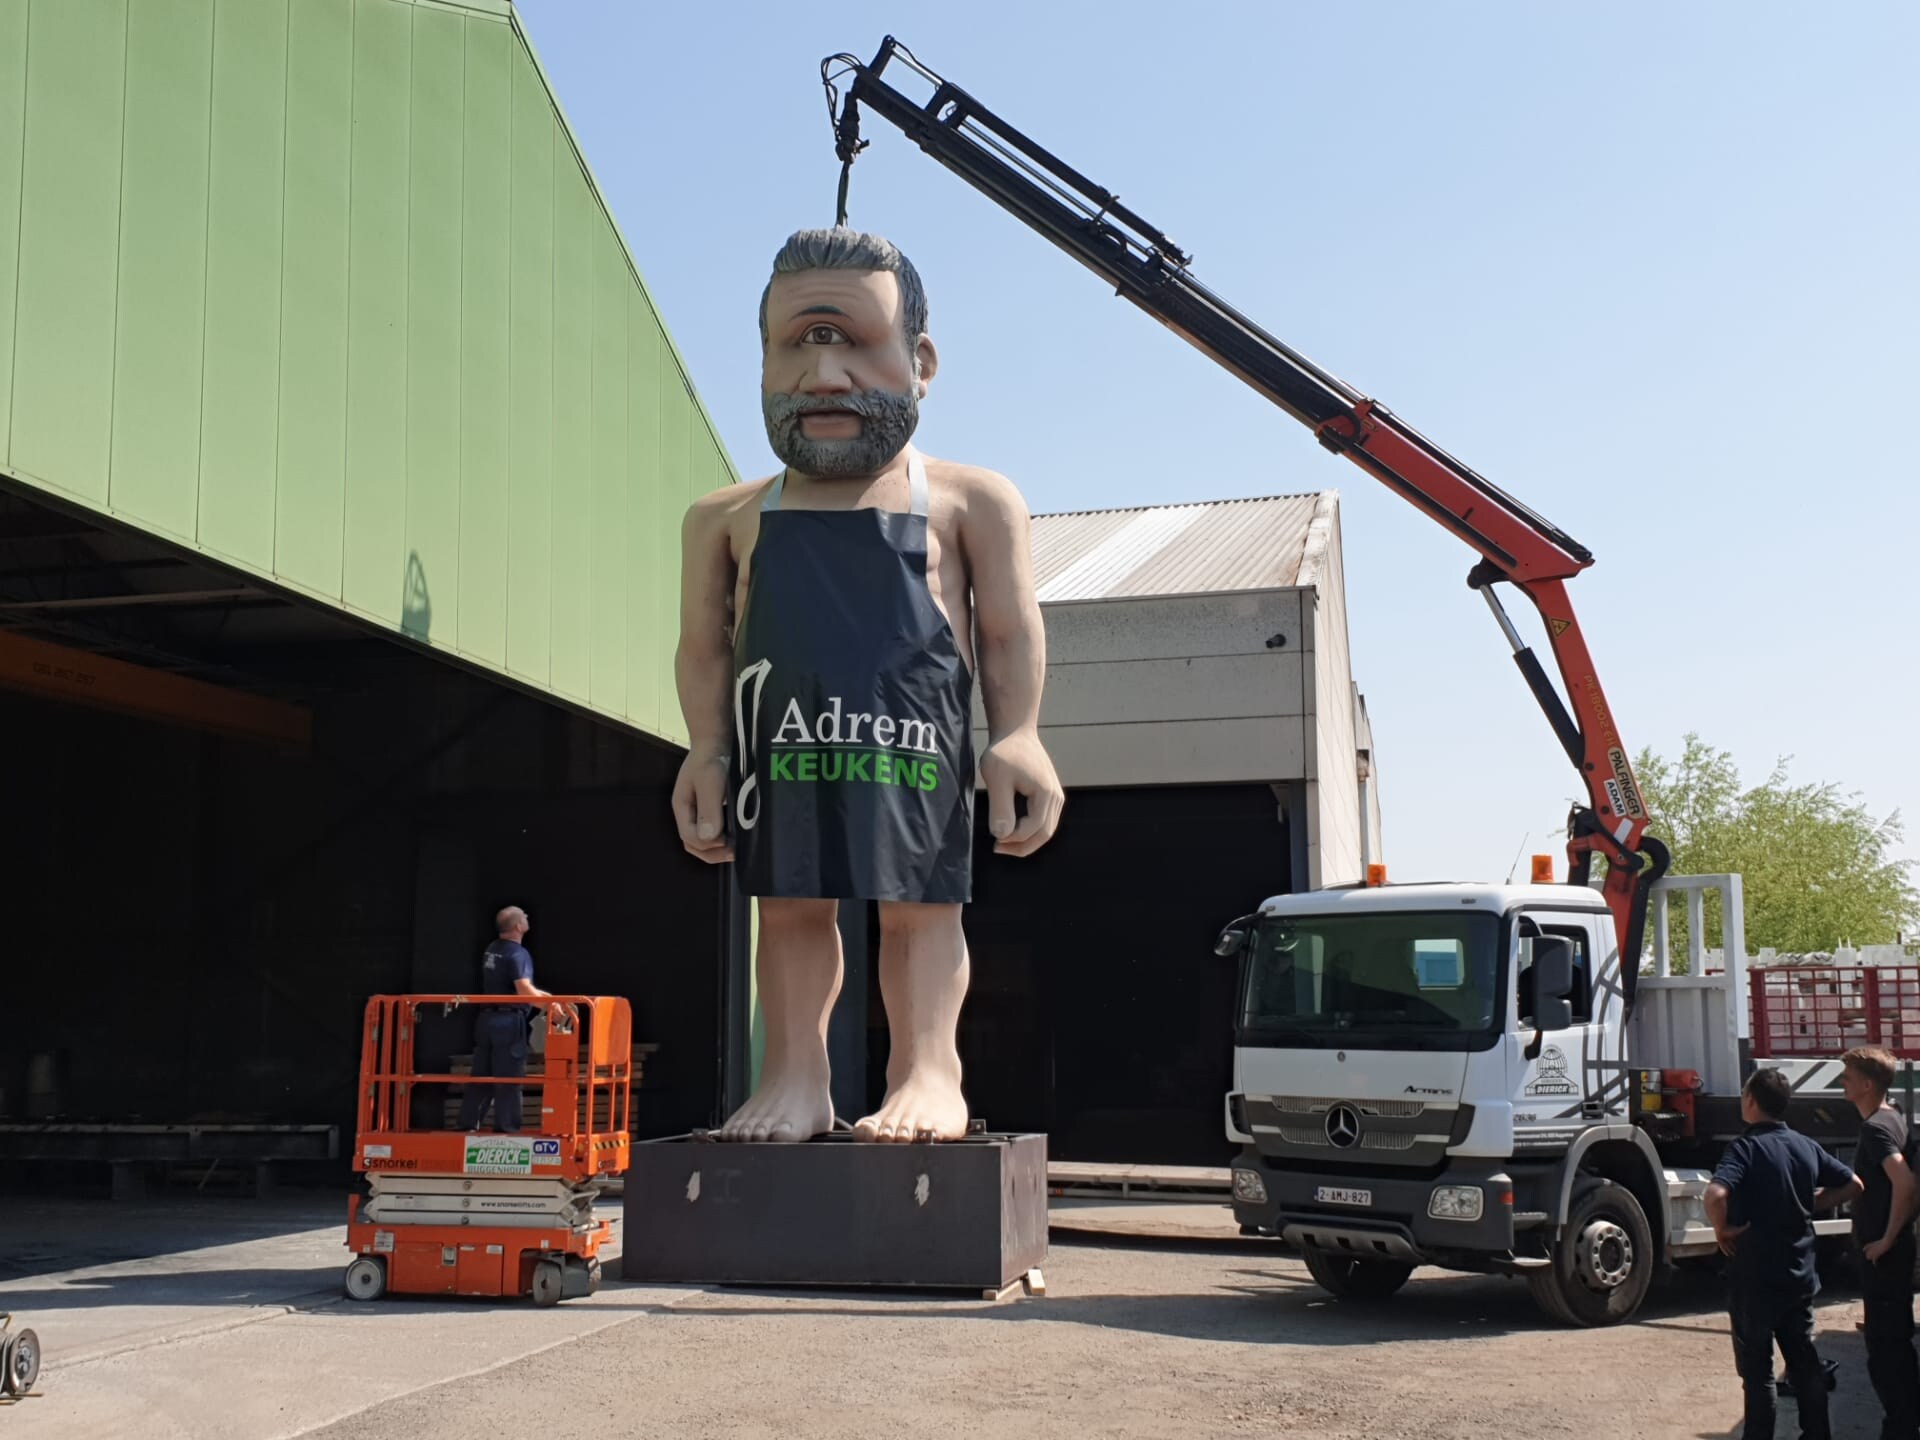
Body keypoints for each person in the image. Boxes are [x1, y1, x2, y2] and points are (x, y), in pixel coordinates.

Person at [672, 227, 1063, 1144]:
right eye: (800, 343)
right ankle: (795, 1076)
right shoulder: (724, 516)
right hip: (786, 742)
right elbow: (703, 648)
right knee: (792, 910)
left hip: (914, 742)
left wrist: (1020, 734)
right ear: (764, 358)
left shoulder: (973, 500)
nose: (827, 375)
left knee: (921, 911)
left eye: (853, 338)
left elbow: (1008, 629)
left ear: (920, 359)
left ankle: (929, 1072)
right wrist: (706, 749)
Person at [1705, 1066, 1858, 1440]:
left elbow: (1715, 1194)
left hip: (1755, 1278)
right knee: (1804, 1363)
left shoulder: (1744, 1148)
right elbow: (1853, 1183)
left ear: (1752, 1101)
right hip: (1798, 1274)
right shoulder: (1805, 1145)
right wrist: (1811, 1203)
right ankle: (1818, 1434)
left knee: (1758, 1375)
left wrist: (1721, 1229)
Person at [1825, 1045, 1920, 1439]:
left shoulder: (1876, 1129)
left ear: (1866, 1084)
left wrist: (1885, 1239)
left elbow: (1905, 1182)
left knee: (1885, 1352)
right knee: (1894, 1343)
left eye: (1847, 1077)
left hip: (1886, 1256)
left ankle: (1900, 1428)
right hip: (1893, 1254)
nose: (1842, 1083)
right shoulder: (1892, 1116)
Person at [457, 906, 568, 1134]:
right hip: (508, 1023)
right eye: (524, 916)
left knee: (482, 1076)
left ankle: (468, 1125)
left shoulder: (492, 949)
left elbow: (516, 988)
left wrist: (550, 998)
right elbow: (523, 989)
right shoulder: (518, 953)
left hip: (487, 1020)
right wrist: (550, 1008)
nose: (528, 918)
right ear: (518, 926)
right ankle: (507, 1129)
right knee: (508, 1078)